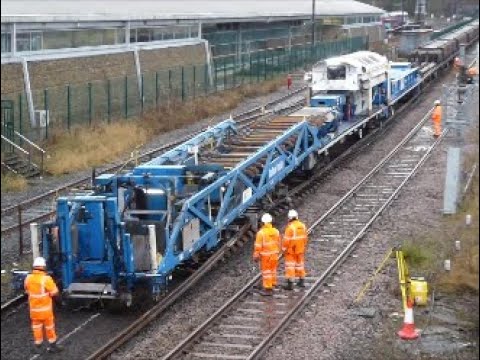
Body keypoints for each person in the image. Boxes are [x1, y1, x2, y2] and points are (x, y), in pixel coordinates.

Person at [24, 257, 63, 353]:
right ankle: (53, 346)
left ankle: (38, 345)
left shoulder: (28, 278)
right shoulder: (46, 279)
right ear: (43, 267)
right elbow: (55, 292)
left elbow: (26, 290)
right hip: (45, 311)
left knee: (36, 327)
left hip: (34, 311)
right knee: (49, 328)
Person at [253, 213, 281, 296]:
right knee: (273, 270)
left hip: (266, 256)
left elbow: (258, 246)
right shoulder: (276, 231)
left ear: (263, 222)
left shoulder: (261, 233)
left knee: (266, 272)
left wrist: (256, 256)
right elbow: (279, 243)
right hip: (274, 255)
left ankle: (268, 289)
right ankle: (272, 283)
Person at [282, 210, 308, 290]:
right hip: (300, 249)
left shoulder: (290, 228)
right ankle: (301, 281)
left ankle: (290, 284)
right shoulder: (303, 226)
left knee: (290, 266)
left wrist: (284, 250)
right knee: (300, 265)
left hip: (291, 251)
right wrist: (302, 246)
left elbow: (286, 241)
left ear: (289, 218)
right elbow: (305, 238)